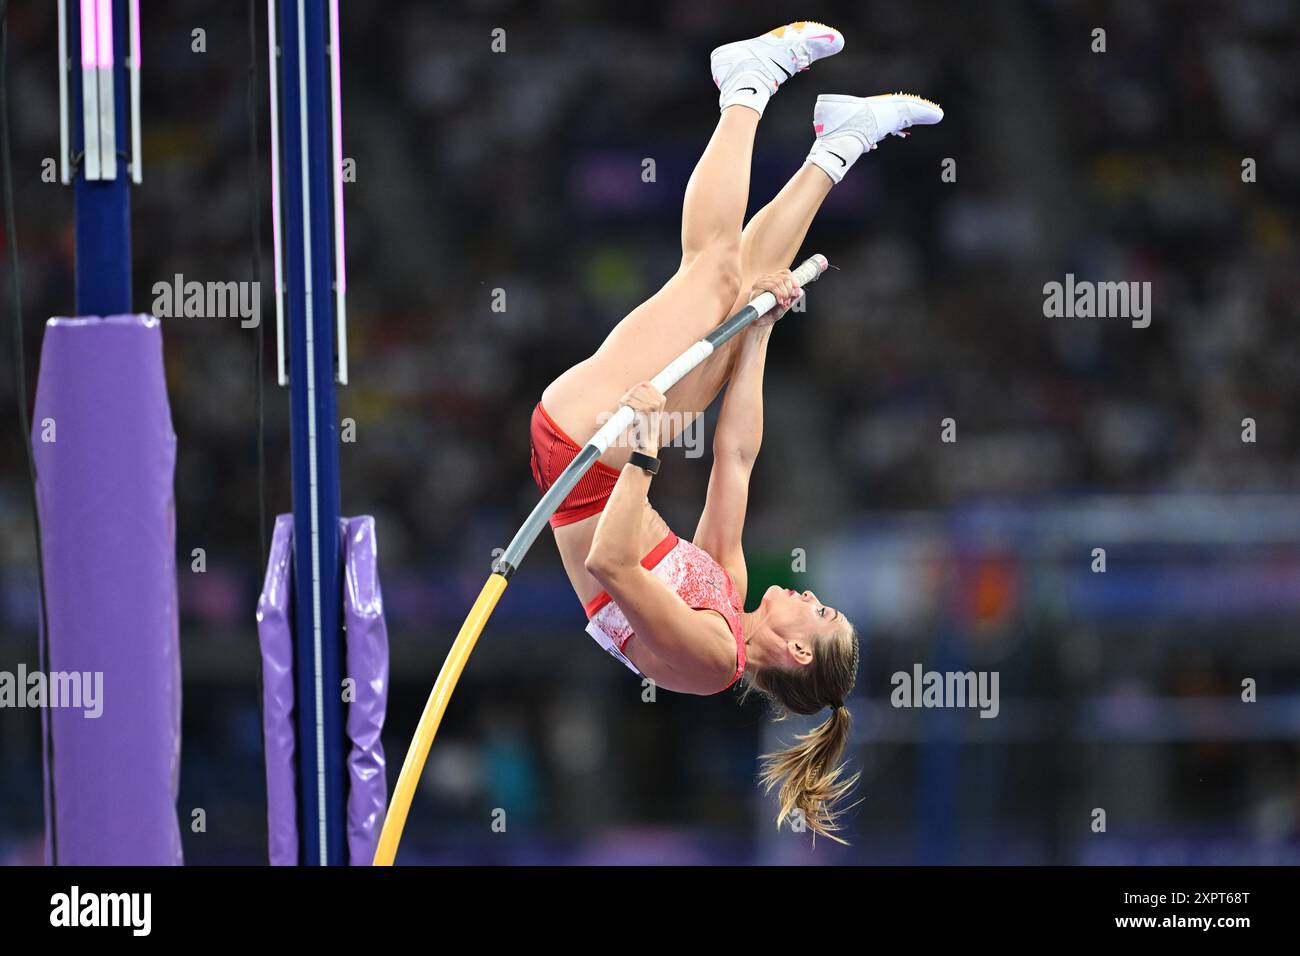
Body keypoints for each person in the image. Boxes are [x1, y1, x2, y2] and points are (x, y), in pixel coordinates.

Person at [529, 22, 942, 841]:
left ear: (792, 653)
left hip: (585, 455)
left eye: (820, 613)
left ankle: (744, 87)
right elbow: (735, 456)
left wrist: (645, 443)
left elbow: (612, 562)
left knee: (711, 269)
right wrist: (759, 331)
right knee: (743, 289)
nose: (814, 598)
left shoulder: (712, 661)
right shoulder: (728, 591)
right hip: (610, 455)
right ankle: (838, 145)